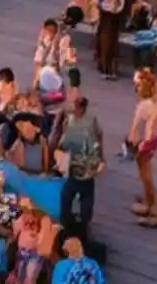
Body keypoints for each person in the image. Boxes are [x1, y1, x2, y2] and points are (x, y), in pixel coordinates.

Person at [57, 96, 104, 242]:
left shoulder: (87, 123)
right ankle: (70, 222)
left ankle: (81, 225)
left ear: (81, 108)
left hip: (84, 167)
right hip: (75, 165)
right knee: (68, 195)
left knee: (81, 196)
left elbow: (97, 139)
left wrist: (100, 159)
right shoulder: (73, 120)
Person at [129, 70, 157, 226]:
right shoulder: (156, 103)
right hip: (153, 141)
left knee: (145, 176)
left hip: (144, 143)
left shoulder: (143, 106)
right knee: (147, 174)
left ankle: (151, 206)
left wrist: (131, 142)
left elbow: (135, 128)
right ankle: (150, 202)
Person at [96, 0, 126, 81]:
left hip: (105, 17)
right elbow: (121, 6)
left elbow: (100, 3)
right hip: (115, 19)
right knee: (112, 43)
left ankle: (102, 66)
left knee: (104, 41)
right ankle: (110, 68)